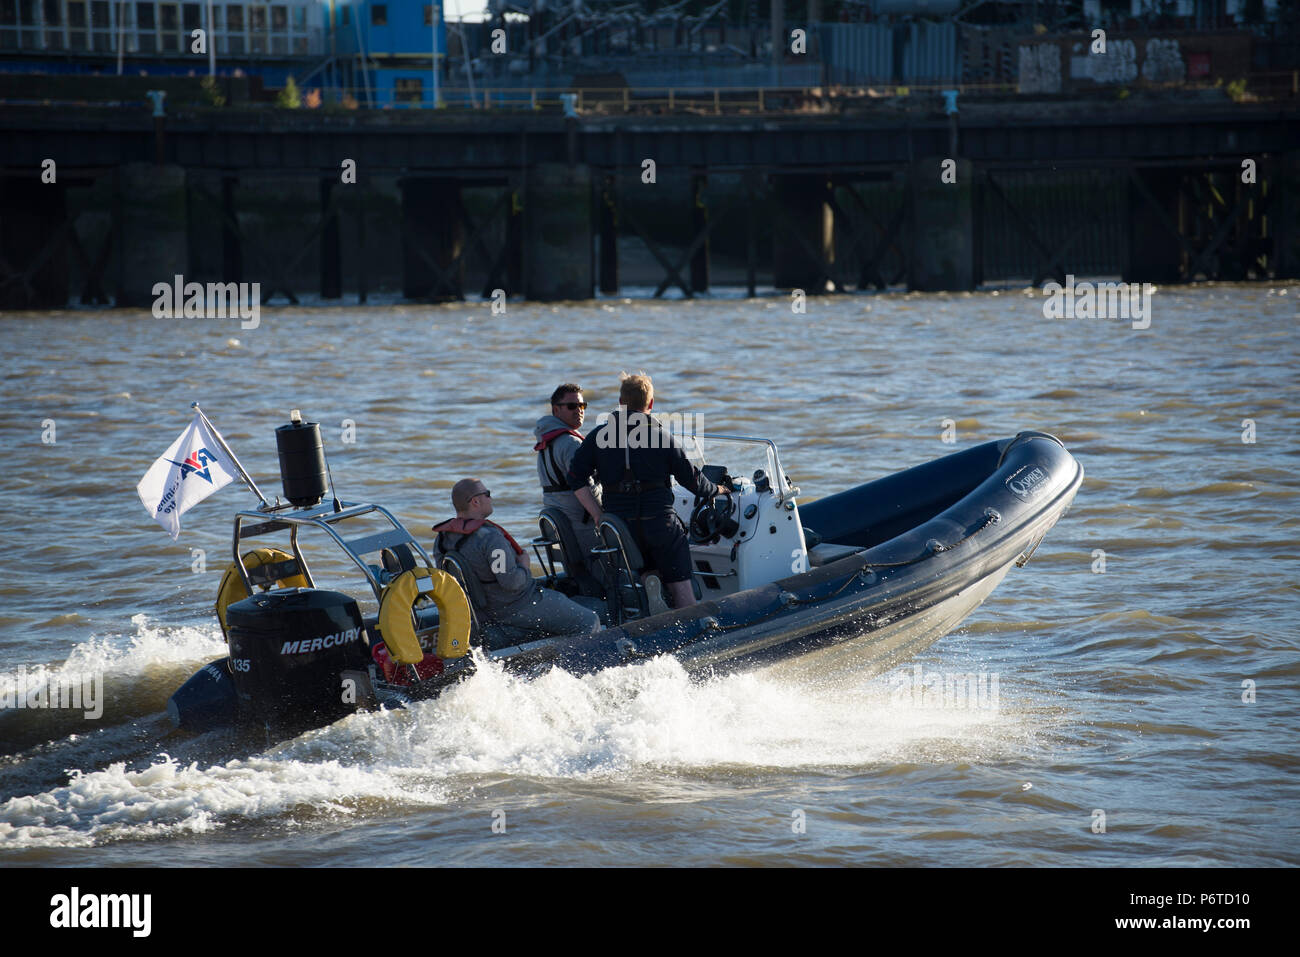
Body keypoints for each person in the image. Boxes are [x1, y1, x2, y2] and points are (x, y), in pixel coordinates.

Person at [567, 372, 723, 610]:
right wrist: (720, 489)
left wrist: (598, 515)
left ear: (620, 402)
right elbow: (695, 483)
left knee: (639, 563)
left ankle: (650, 585)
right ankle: (690, 628)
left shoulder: (599, 435)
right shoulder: (662, 437)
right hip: (660, 524)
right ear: (650, 404)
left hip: (620, 527)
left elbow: (575, 478)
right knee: (681, 585)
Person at [431, 478, 600, 643]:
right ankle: (580, 669)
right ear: (475, 502)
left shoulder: (442, 540)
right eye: (487, 494)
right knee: (589, 621)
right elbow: (512, 583)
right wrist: (524, 566)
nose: (491, 498)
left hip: (480, 612)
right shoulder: (490, 538)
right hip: (517, 606)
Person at [533, 383, 602, 562]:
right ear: (556, 410)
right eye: (572, 406)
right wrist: (599, 515)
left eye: (582, 405)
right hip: (581, 524)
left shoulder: (547, 442)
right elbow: (581, 484)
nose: (578, 410)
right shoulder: (571, 443)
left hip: (559, 524)